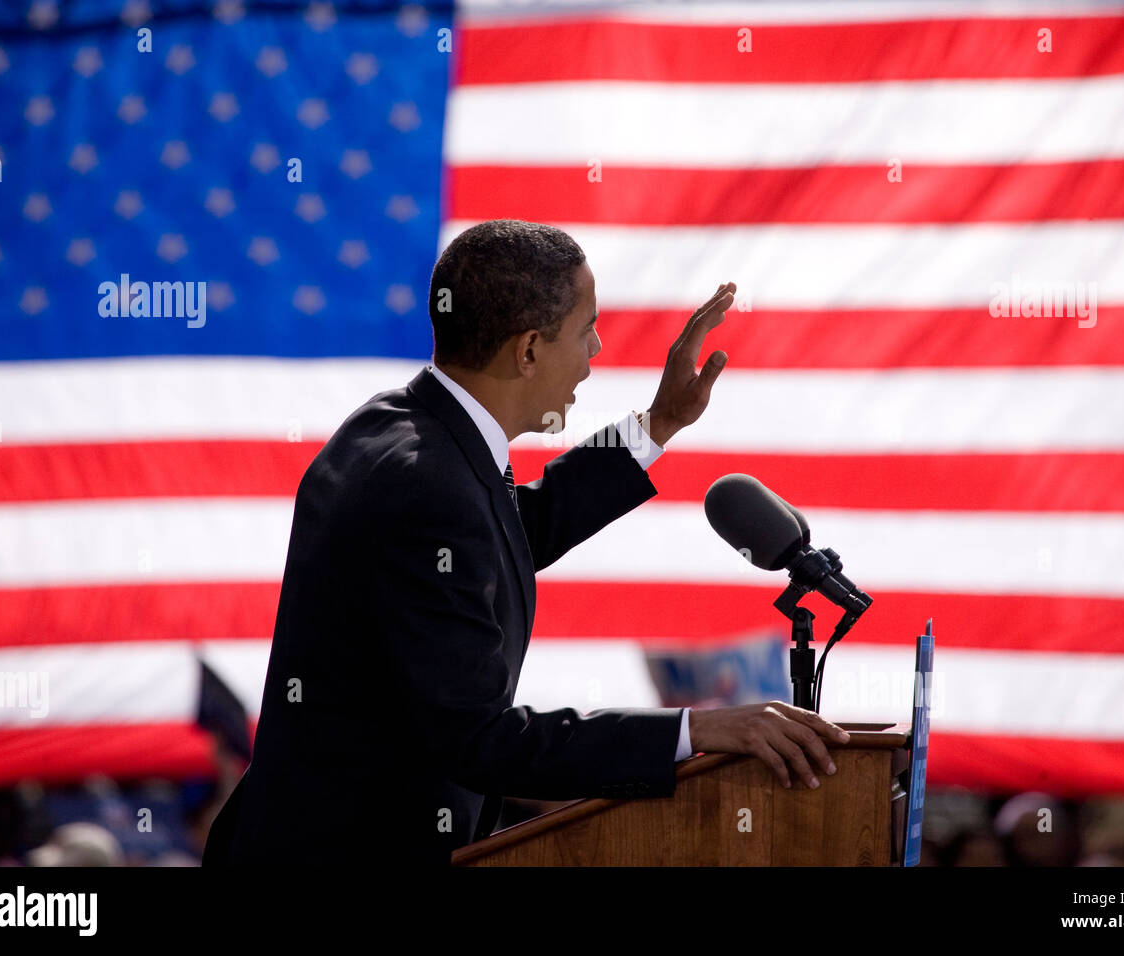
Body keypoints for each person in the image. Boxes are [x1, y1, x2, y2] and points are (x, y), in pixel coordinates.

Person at [203, 219, 849, 865]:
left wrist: (661, 421)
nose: (596, 351)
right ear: (529, 350)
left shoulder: (400, 429)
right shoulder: (428, 485)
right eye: (586, 327)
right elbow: (479, 740)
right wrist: (698, 728)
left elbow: (506, 533)